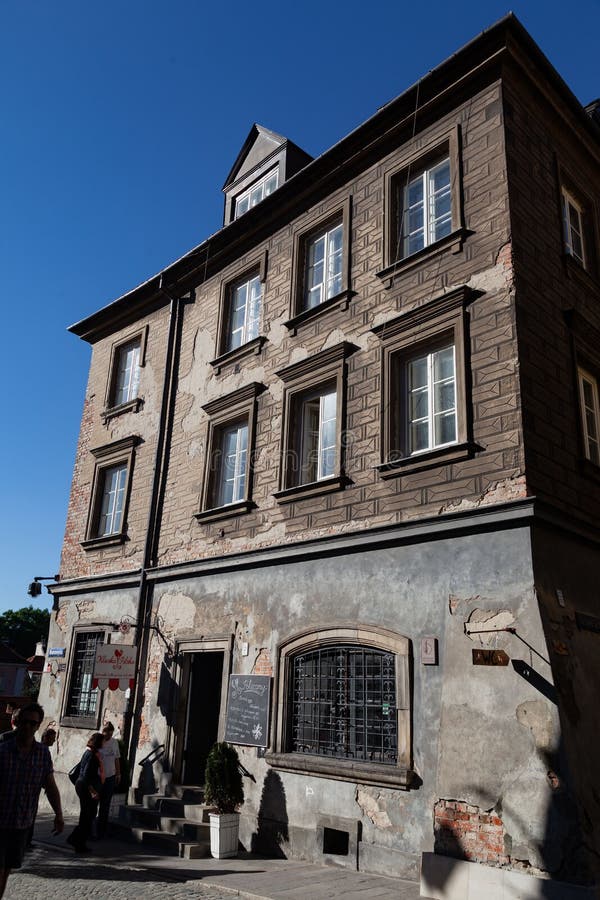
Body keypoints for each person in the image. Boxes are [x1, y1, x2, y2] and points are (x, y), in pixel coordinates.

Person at [0, 702, 64, 898]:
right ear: (17, 723)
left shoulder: (42, 754)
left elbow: (50, 786)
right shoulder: (2, 751)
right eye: (25, 722)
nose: (28, 726)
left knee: (8, 867)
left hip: (22, 822)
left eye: (33, 723)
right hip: (0, 819)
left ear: (38, 726)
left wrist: (59, 814)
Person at [67, 733, 105, 853]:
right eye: (103, 741)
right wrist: (93, 792)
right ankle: (78, 843)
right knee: (87, 816)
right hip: (85, 787)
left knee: (88, 814)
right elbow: (86, 775)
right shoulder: (91, 755)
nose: (104, 743)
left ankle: (75, 839)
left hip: (83, 785)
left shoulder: (90, 753)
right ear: (98, 742)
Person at [96, 722, 121, 838]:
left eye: (110, 733)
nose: (109, 736)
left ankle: (101, 830)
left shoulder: (114, 742)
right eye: (107, 733)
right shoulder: (98, 741)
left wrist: (118, 774)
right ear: (103, 732)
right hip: (98, 777)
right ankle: (93, 827)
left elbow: (117, 758)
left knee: (105, 805)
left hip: (110, 777)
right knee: (94, 803)